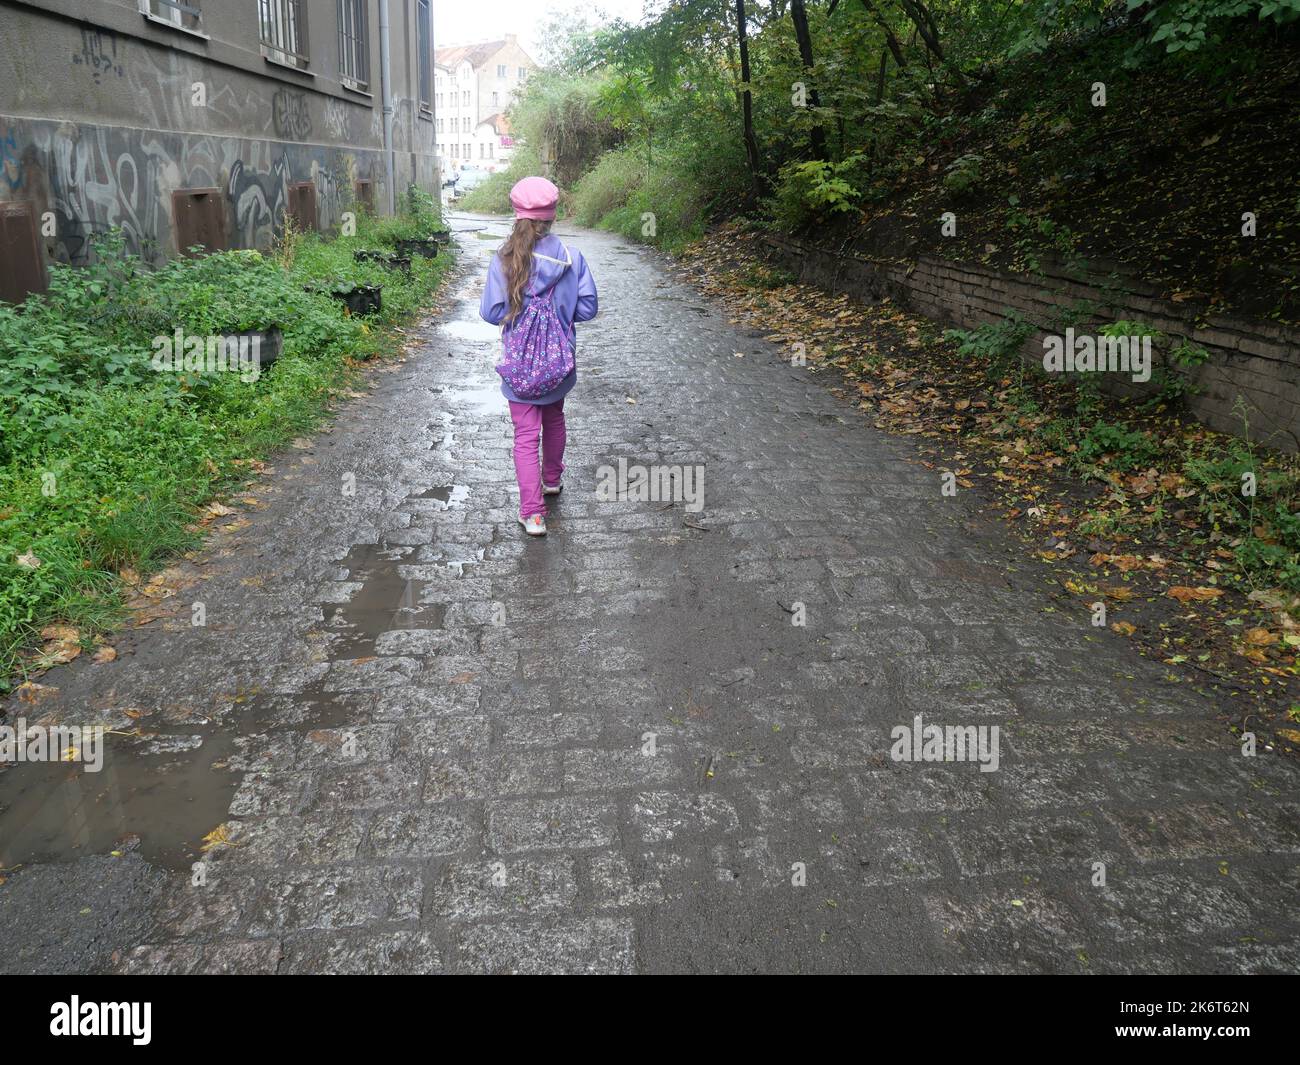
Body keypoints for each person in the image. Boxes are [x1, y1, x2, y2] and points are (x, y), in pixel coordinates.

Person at [479, 177, 598, 536]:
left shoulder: (504, 260)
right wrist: (560, 317)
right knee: (555, 418)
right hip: (559, 360)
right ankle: (552, 480)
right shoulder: (571, 257)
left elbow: (490, 312)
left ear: (518, 216)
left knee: (525, 435)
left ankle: (533, 514)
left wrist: (520, 316)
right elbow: (589, 307)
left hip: (520, 366)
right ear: (552, 216)